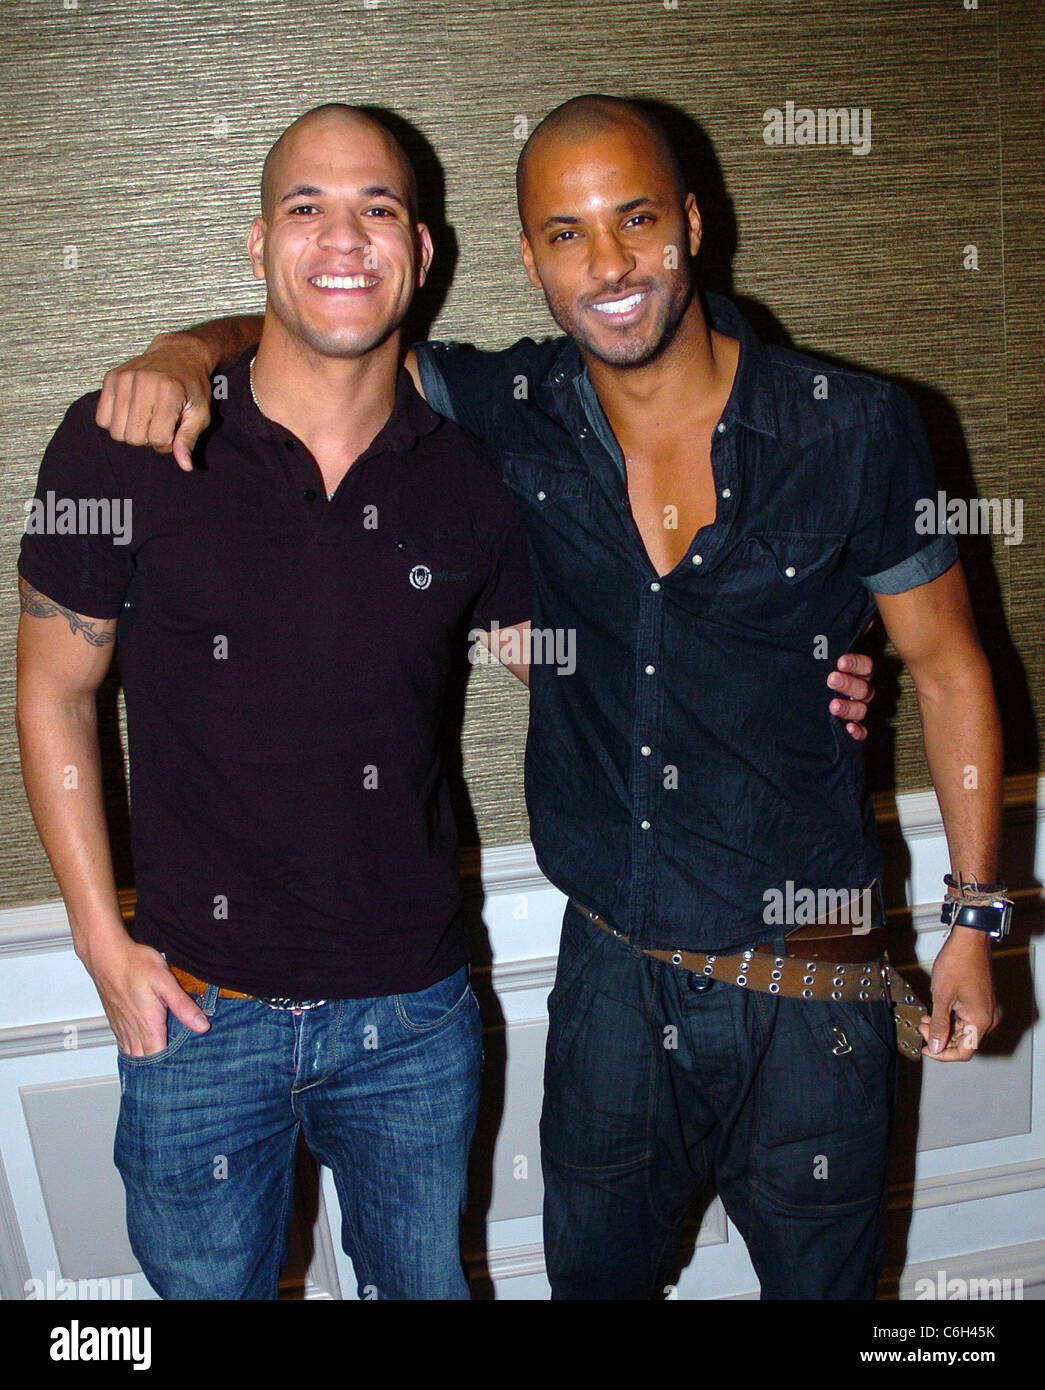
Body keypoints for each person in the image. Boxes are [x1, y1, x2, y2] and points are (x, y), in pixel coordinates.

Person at [88, 96, 973, 1302]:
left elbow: (953, 664)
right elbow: (329, 323)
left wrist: (974, 916)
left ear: (692, 226)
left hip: (810, 987)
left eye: (635, 220)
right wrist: (182, 354)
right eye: (565, 233)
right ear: (526, 259)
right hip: (614, 967)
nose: (606, 264)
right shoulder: (508, 414)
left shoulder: (857, 427)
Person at [16, 104, 534, 1301]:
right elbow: (54, 693)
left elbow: (565, 664)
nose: (342, 236)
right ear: (258, 245)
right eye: (307, 206)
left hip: (411, 1014)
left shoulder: (472, 483)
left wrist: (794, 666)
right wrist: (102, 943)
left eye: (377, 209)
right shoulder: (126, 446)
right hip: (198, 1012)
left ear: (423, 250)